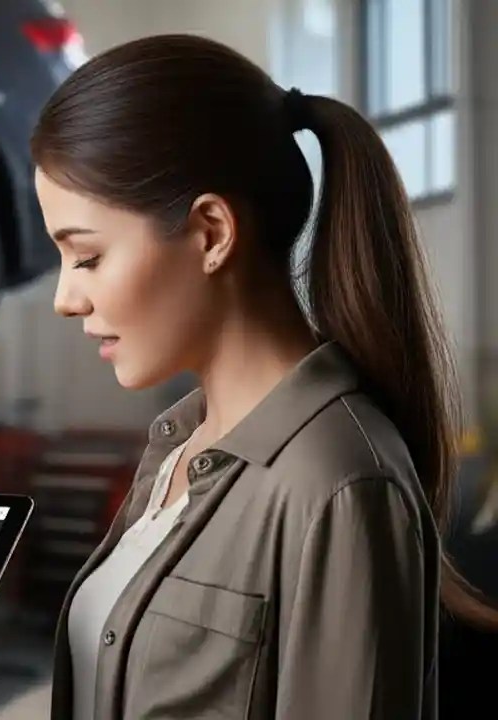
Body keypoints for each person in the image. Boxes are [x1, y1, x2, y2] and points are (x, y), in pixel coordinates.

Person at [29, 34, 498, 720]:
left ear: (212, 232)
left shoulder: (336, 484)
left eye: (89, 257)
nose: (65, 299)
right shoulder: (176, 450)